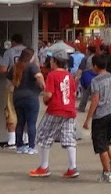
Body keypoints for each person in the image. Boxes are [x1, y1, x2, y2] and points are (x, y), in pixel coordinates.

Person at [30, 51, 81, 179]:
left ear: (55, 61)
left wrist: (45, 100)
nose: (50, 62)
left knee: (44, 136)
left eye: (51, 60)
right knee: (69, 137)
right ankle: (72, 167)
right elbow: (74, 94)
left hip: (55, 109)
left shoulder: (52, 75)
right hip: (69, 110)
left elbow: (49, 94)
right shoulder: (69, 75)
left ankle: (44, 166)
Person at [83, 54, 111, 182]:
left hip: (100, 115)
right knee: (106, 141)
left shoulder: (96, 81)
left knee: (100, 145)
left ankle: (107, 173)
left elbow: (95, 100)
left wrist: (88, 119)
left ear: (95, 66)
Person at [5, 47, 40, 155]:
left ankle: (19, 146)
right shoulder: (32, 66)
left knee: (20, 121)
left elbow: (9, 78)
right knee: (31, 122)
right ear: (31, 56)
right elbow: (38, 76)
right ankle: (31, 146)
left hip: (17, 96)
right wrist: (42, 86)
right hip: (31, 96)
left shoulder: (15, 66)